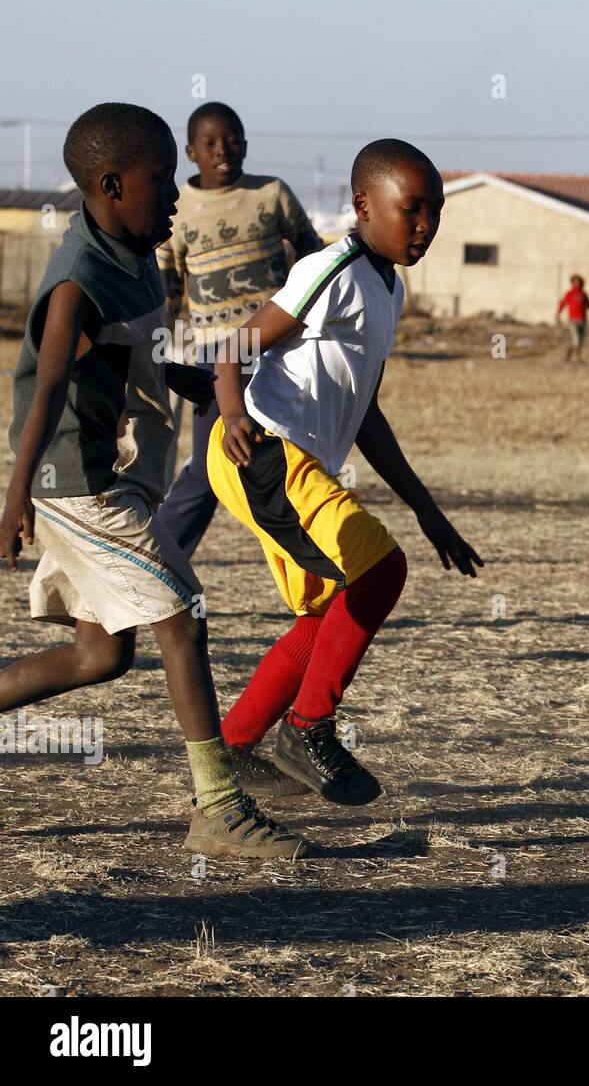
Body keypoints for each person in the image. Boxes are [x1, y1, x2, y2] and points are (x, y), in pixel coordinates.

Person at [0, 103, 306, 858]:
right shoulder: (78, 281)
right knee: (183, 615)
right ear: (109, 185)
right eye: (160, 179)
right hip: (82, 483)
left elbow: (140, 350)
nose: (175, 194)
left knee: (99, 654)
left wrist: (196, 384)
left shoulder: (136, 252)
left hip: (121, 474)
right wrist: (12, 501)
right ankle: (217, 806)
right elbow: (43, 393)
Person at [206, 138, 483, 805]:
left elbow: (367, 413)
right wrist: (234, 412)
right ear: (363, 205)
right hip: (263, 449)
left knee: (333, 609)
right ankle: (307, 727)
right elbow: (234, 346)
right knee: (381, 569)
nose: (425, 226)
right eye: (411, 209)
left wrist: (426, 507)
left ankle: (233, 750)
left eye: (435, 214)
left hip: (295, 461)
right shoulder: (332, 266)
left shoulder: (390, 289)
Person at [155, 101, 323, 559]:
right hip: (215, 356)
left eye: (231, 140)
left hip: (278, 348)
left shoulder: (271, 194)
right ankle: (159, 562)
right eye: (210, 143)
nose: (222, 150)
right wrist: (159, 357)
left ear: (245, 144)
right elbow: (167, 292)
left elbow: (314, 259)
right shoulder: (178, 207)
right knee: (212, 466)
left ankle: (320, 561)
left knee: (293, 459)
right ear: (191, 152)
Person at [557, 273, 589, 362]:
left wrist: (585, 303)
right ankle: (577, 357)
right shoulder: (569, 293)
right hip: (573, 320)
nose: (577, 283)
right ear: (572, 282)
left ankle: (569, 355)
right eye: (575, 281)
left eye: (579, 281)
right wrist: (558, 313)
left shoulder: (584, 294)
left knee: (580, 341)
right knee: (576, 340)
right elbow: (563, 303)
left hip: (583, 320)